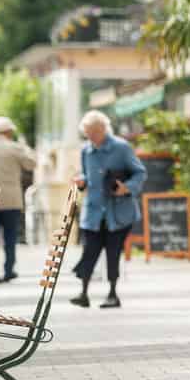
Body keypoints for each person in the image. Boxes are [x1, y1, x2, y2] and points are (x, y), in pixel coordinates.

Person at [70, 110, 145, 309]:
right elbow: (87, 176)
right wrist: (81, 181)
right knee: (90, 251)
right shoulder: (86, 150)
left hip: (118, 212)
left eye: (94, 132)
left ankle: (113, 294)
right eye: (87, 133)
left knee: (113, 252)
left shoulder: (121, 147)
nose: (91, 137)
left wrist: (126, 188)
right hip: (93, 212)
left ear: (103, 129)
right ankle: (83, 293)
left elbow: (140, 172)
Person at [0, 116, 37, 284]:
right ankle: (9, 270)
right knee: (11, 236)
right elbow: (31, 164)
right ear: (8, 132)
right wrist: (25, 145)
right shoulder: (15, 147)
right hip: (12, 198)